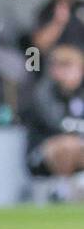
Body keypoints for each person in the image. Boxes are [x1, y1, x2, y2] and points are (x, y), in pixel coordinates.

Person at [23, 42, 84, 200]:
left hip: (78, 148)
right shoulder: (43, 93)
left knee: (76, 145)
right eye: (59, 66)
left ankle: (78, 184)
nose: (63, 72)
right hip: (42, 154)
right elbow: (56, 126)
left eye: (68, 66)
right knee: (67, 144)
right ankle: (64, 190)